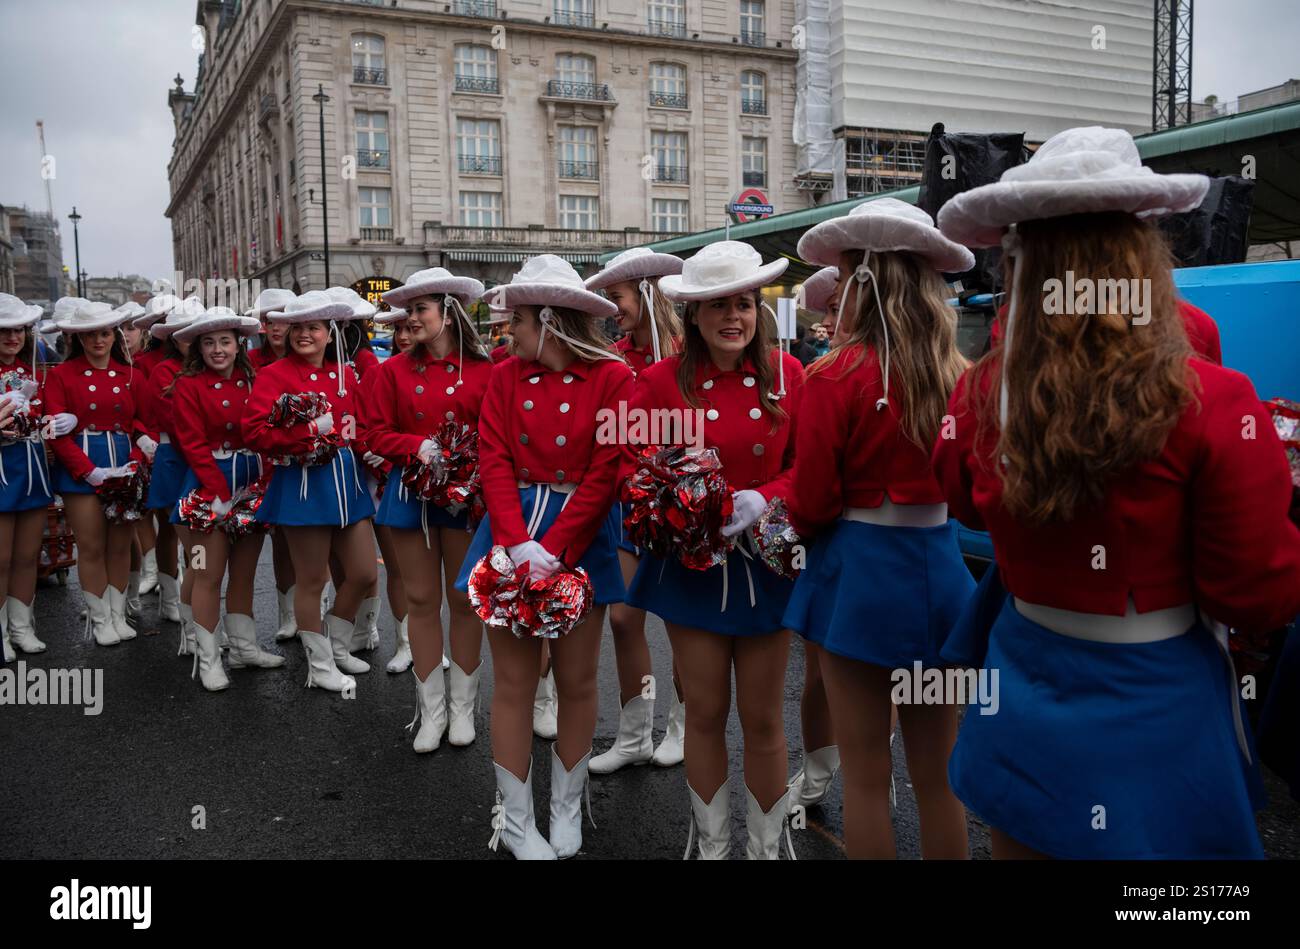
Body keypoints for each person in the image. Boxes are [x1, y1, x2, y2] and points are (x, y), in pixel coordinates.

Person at [933, 126, 1300, 858]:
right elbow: (1258, 594)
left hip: (1026, 690)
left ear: (1023, 261)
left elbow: (967, 503)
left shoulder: (982, 390)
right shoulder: (1217, 398)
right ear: (1142, 251)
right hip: (1158, 704)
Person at [783, 199, 976, 859]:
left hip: (859, 583)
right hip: (944, 576)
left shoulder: (830, 376)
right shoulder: (962, 375)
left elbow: (809, 502)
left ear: (862, 284)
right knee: (939, 778)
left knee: (866, 778)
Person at [624, 241, 805, 859]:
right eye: (719, 304)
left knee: (762, 718)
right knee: (703, 712)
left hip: (765, 570)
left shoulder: (789, 375)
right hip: (689, 571)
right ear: (694, 315)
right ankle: (712, 845)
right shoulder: (656, 384)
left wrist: (766, 497)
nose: (735, 316)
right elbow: (629, 468)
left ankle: (766, 848)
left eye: (746, 303)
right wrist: (675, 503)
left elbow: (810, 468)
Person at [453, 255, 631, 860]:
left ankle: (565, 806)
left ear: (550, 320)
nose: (511, 333)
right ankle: (516, 818)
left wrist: (555, 551)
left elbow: (607, 473)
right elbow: (493, 456)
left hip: (579, 539)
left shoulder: (614, 379)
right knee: (514, 684)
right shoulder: (504, 376)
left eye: (520, 321)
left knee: (578, 681)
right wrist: (515, 542)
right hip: (510, 537)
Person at [367, 269, 494, 752]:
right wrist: (414, 445)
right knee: (421, 600)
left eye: (421, 309)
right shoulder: (391, 371)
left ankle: (463, 709)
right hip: (410, 496)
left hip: (467, 500)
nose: (411, 319)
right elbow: (374, 433)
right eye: (408, 311)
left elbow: (497, 435)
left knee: (464, 601)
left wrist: (470, 465)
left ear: (449, 311)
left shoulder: (487, 370)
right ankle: (430, 711)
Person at [582, 247, 688, 773]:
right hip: (627, 507)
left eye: (618, 297)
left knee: (681, 622)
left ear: (647, 294)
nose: (611, 307)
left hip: (685, 510)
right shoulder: (614, 358)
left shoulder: (693, 355)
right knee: (624, 619)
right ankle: (635, 734)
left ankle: (685, 724)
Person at [241, 290, 376, 695]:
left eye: (313, 327)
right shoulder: (273, 375)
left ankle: (336, 643)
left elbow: (355, 422)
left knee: (364, 573)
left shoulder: (346, 373)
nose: (304, 334)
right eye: (298, 327)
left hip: (346, 482)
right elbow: (255, 432)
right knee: (312, 579)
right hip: (302, 485)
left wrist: (364, 446)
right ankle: (319, 665)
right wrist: (308, 434)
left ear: (329, 333)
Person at [168, 306, 283, 691]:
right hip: (205, 490)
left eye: (225, 341)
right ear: (198, 348)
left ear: (239, 345)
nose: (218, 349)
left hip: (250, 486)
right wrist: (217, 494)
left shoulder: (255, 380)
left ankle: (244, 648)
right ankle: (208, 657)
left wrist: (264, 482)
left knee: (245, 572)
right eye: (209, 343)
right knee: (206, 573)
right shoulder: (188, 385)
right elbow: (192, 443)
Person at [44, 301, 147, 645]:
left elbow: (140, 424)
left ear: (114, 335)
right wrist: (88, 472)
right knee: (90, 546)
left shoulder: (130, 373)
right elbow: (54, 431)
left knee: (119, 547)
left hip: (123, 462)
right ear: (78, 337)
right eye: (90, 334)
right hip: (82, 468)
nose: (98, 341)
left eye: (104, 333)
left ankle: (118, 615)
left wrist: (133, 462)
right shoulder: (61, 375)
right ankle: (100, 619)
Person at [138, 298, 204, 647]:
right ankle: (177, 607)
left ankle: (196, 619)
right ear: (172, 337)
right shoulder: (164, 371)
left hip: (203, 459)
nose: (191, 340)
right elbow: (174, 421)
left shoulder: (211, 366)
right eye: (183, 334)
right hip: (177, 460)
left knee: (200, 547)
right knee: (178, 536)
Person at [0, 297, 62, 660]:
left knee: (27, 556)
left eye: (18, 329)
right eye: (4, 330)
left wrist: (56, 424)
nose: (12, 337)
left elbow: (44, 421)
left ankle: (22, 628)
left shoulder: (33, 373)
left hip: (33, 470)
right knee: (1, 558)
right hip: (2, 473)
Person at [244, 288, 300, 643]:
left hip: (299, 458)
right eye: (269, 319)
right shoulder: (249, 361)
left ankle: (314, 605)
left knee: (310, 538)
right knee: (280, 540)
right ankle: (288, 613)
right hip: (259, 459)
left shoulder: (310, 357)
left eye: (282, 317)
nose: (276, 326)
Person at [365, 305, 415, 675]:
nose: (403, 337)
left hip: (443, 487)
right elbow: (369, 429)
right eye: (398, 329)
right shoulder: (383, 373)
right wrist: (382, 460)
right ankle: (406, 641)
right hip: (390, 481)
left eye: (409, 328)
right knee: (399, 567)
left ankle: (431, 642)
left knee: (441, 577)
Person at [128, 294, 182, 601]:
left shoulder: (199, 358)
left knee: (184, 527)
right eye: (163, 321)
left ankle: (181, 586)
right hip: (157, 447)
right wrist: (144, 440)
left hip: (186, 451)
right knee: (159, 520)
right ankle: (164, 586)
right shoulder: (143, 363)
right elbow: (136, 409)